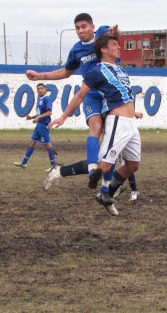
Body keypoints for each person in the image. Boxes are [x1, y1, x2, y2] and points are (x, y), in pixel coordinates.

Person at [49, 35, 140, 215]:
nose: (119, 47)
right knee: (104, 164)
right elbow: (80, 96)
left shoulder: (120, 70)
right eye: (114, 45)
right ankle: (90, 181)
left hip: (131, 123)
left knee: (132, 165)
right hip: (118, 121)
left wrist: (133, 111)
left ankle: (105, 193)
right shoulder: (96, 71)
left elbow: (126, 94)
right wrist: (64, 116)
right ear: (103, 50)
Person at [26, 13, 118, 187]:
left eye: (84, 26)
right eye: (77, 28)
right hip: (91, 93)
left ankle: (105, 184)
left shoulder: (102, 33)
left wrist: (116, 32)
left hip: (111, 92)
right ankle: (93, 173)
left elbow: (115, 37)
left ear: (92, 26)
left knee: (111, 142)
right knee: (95, 128)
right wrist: (40, 75)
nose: (80, 30)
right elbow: (66, 72)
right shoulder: (76, 50)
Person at [14, 83, 57, 169]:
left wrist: (38, 118)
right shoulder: (40, 99)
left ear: (45, 89)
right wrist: (32, 117)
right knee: (32, 143)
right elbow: (39, 113)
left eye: (42, 88)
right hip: (39, 125)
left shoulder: (47, 98)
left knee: (48, 145)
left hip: (44, 125)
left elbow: (49, 112)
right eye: (38, 89)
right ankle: (24, 163)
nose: (40, 90)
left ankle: (54, 166)